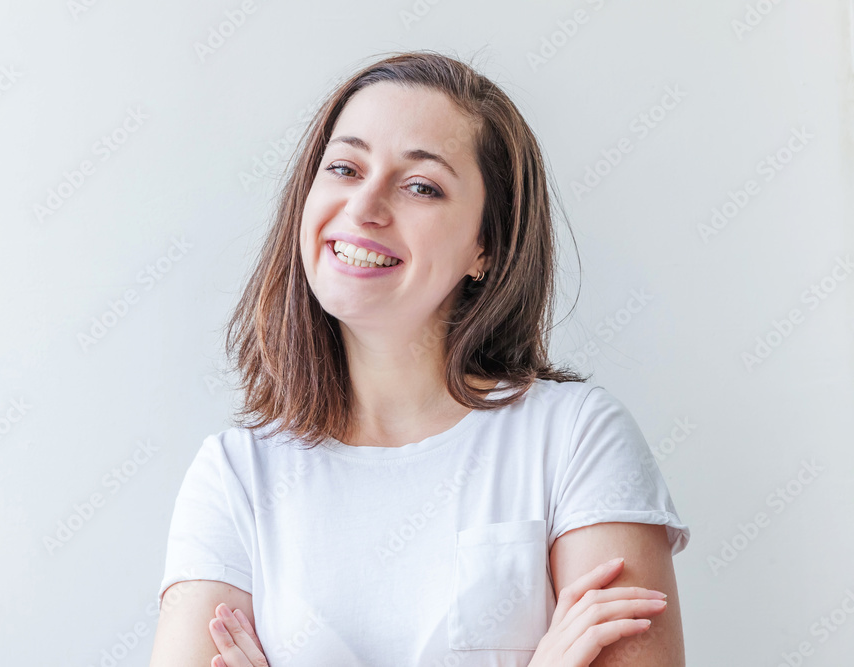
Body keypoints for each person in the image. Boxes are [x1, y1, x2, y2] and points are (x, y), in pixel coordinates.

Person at [148, 50, 689, 667]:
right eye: (346, 167)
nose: (364, 207)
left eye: (421, 186)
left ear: (486, 246)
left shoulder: (577, 439)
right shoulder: (236, 478)